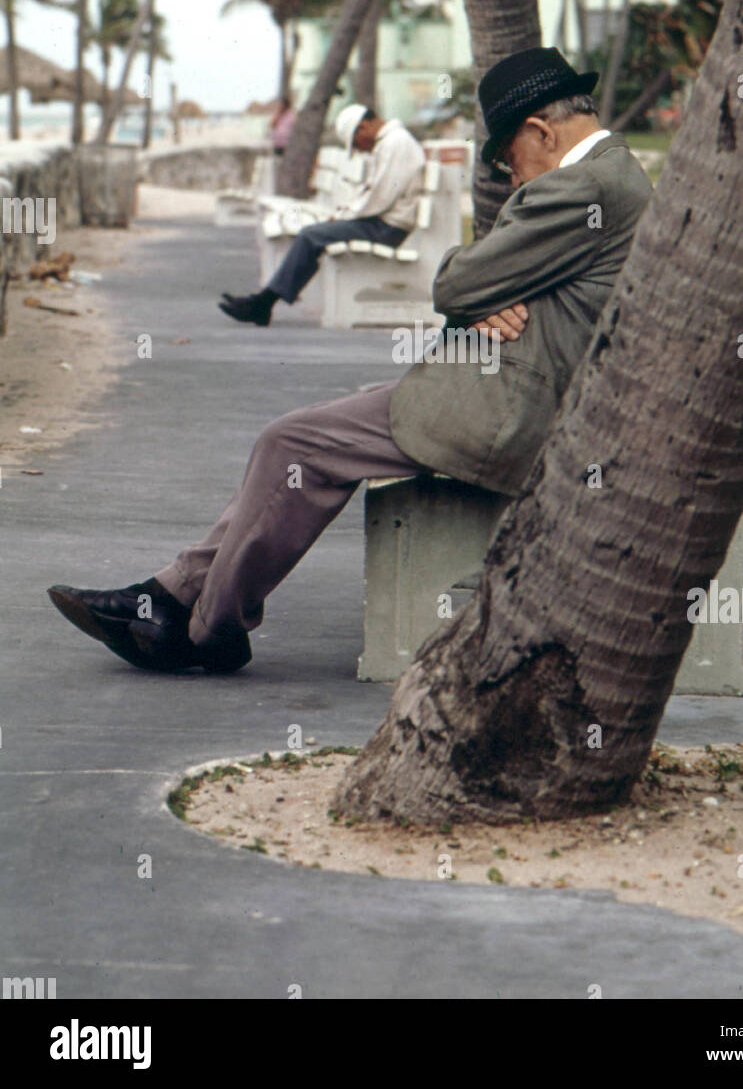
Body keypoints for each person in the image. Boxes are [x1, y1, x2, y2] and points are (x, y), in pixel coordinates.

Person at [48, 47, 653, 675]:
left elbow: (456, 282)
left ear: (540, 131)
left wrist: (481, 291)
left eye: (506, 160)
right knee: (313, 428)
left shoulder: (580, 187)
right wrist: (489, 296)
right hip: (529, 387)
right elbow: (486, 289)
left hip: (518, 410)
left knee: (293, 442)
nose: (510, 177)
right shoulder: (619, 174)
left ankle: (203, 632)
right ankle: (171, 593)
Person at [219, 105, 425, 325]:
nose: (360, 150)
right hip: (382, 223)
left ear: (363, 127)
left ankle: (263, 303)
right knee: (314, 235)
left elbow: (381, 195)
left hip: (386, 228)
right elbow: (379, 193)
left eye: (355, 144)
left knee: (311, 235)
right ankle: (263, 303)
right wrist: (345, 214)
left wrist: (345, 215)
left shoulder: (395, 143)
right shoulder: (393, 142)